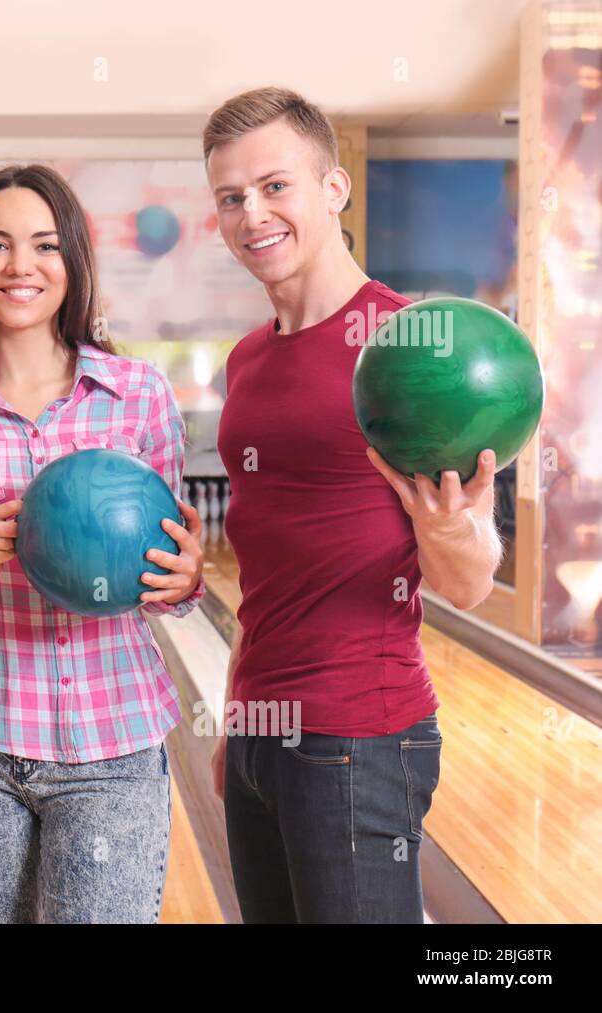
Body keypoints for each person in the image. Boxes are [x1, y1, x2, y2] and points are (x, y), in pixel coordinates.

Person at [204, 87, 502, 923]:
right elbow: (268, 560)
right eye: (231, 197)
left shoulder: (411, 349)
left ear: (333, 189)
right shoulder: (247, 360)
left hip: (356, 738)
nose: (252, 213)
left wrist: (449, 529)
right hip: (262, 734)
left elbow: (470, 577)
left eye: (274, 186)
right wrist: (241, 716)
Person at [0, 164, 205, 923]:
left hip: (112, 740)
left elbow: (174, 582)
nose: (20, 266)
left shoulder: (139, 396)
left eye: (44, 246)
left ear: (75, 262)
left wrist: (184, 575)